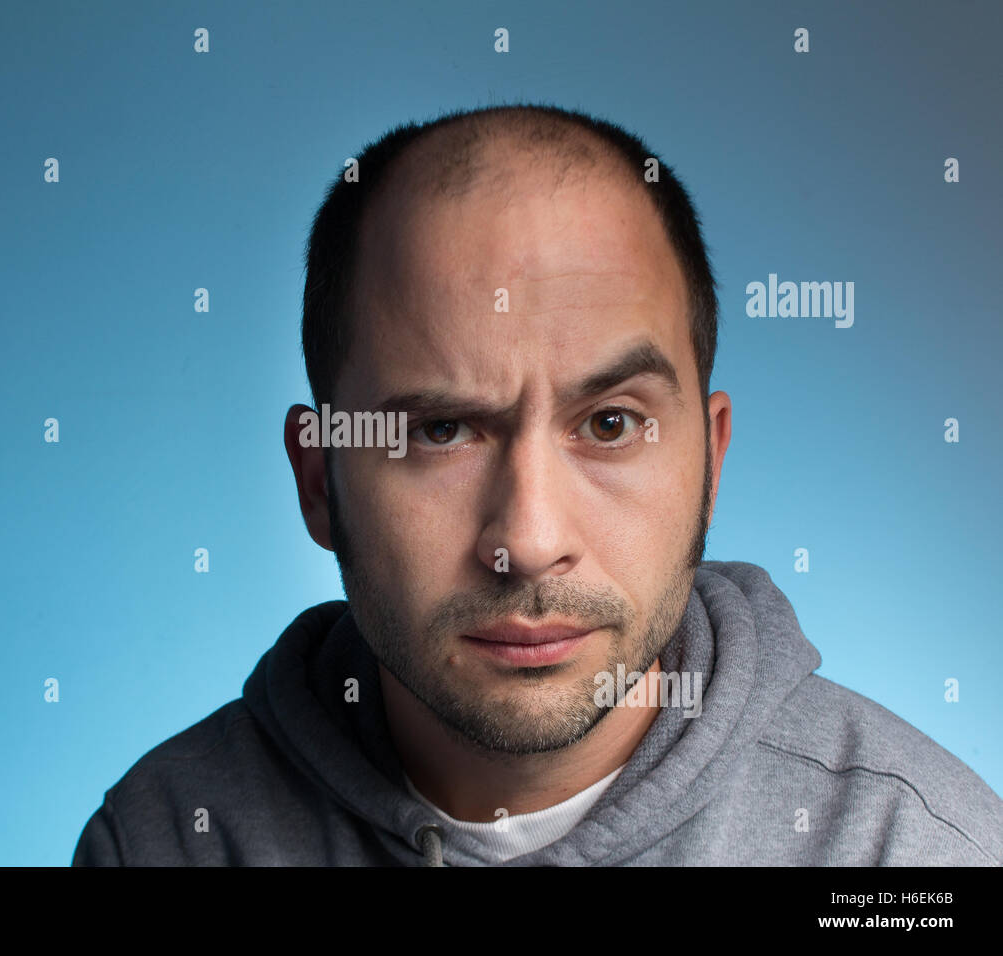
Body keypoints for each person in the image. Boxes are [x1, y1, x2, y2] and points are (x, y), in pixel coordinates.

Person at [72, 103, 1003, 866]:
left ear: (710, 463)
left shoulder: (912, 860)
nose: (527, 536)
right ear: (319, 479)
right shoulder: (166, 842)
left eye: (609, 425)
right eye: (439, 431)